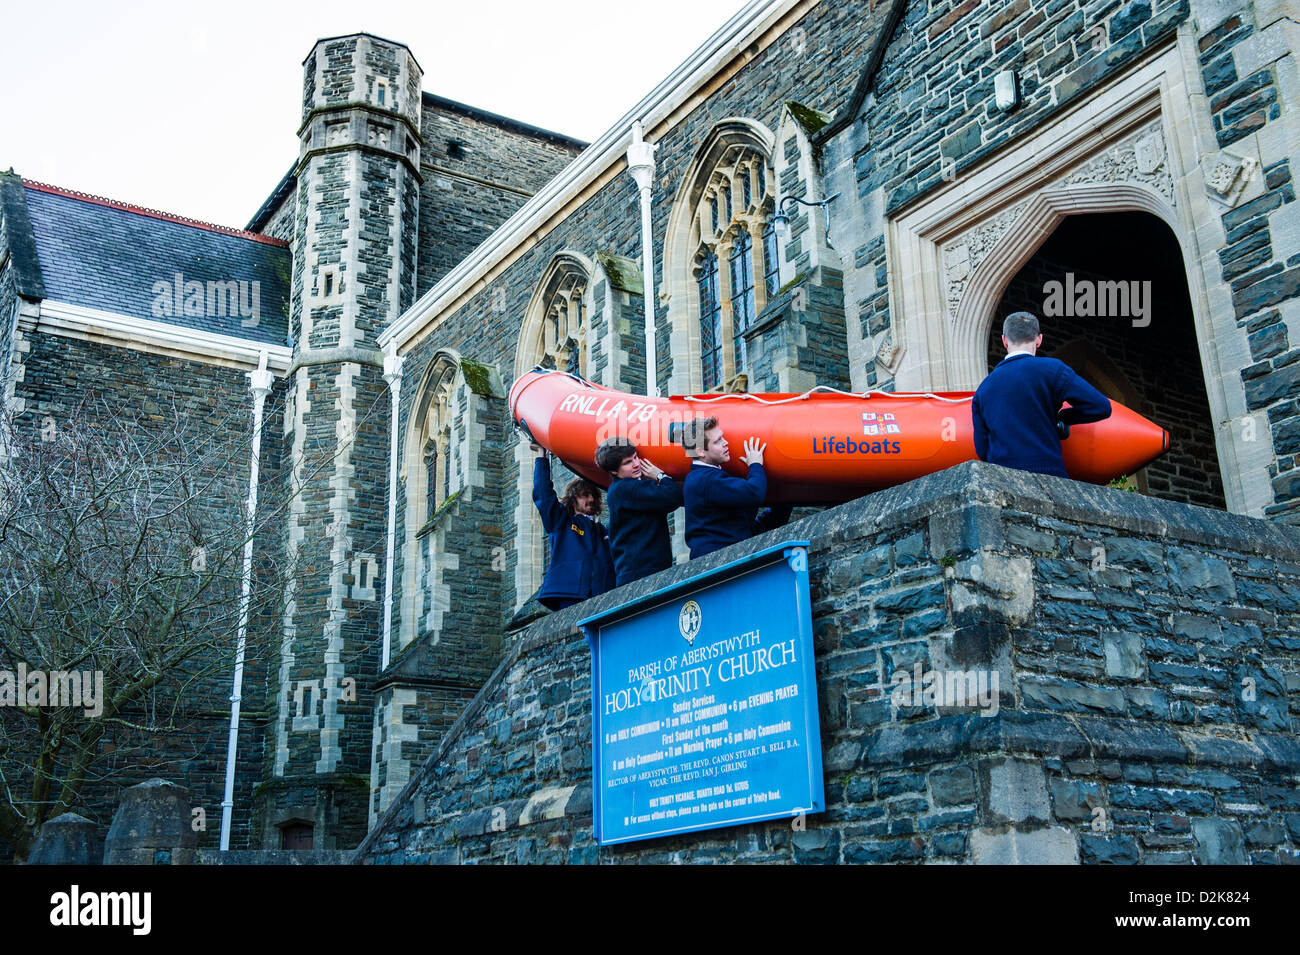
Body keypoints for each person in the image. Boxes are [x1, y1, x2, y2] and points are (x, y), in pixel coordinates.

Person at [971, 311, 1112, 479]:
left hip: (1003, 482)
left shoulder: (983, 389)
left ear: (1004, 340)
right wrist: (1062, 418)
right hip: (1050, 477)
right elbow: (1100, 406)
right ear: (1039, 340)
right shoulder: (1052, 370)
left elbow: (982, 450)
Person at [673, 416, 792, 560]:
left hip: (723, 557)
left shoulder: (705, 477)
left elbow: (738, 527)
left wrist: (785, 504)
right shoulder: (707, 480)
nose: (726, 443)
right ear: (700, 452)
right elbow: (754, 493)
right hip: (716, 564)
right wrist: (755, 464)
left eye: (723, 437)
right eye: (718, 441)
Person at [531, 444, 615, 610]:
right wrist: (541, 457)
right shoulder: (562, 522)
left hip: (604, 598)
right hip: (570, 596)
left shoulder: (604, 532)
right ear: (573, 499)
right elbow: (543, 495)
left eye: (593, 496)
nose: (590, 499)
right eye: (584, 495)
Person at [596, 437, 683, 586]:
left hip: (640, 571)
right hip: (642, 575)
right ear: (614, 471)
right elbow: (672, 497)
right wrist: (661, 476)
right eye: (628, 462)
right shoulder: (626, 488)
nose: (636, 464)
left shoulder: (622, 488)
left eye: (635, 457)